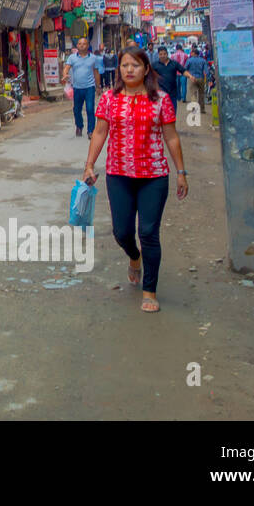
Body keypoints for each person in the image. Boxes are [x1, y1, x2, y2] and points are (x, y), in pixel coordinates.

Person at [84, 46, 189, 313]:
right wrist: (89, 165)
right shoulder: (109, 99)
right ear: (118, 70)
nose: (129, 70)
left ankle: (150, 290)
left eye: (135, 65)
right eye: (124, 66)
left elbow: (171, 137)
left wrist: (181, 172)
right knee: (122, 232)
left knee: (149, 233)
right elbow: (99, 133)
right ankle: (134, 256)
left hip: (153, 175)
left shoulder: (161, 100)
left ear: (146, 69)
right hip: (118, 174)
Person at [63, 37, 103, 138]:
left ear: (88, 45)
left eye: (84, 44)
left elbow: (96, 72)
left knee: (90, 109)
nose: (81, 45)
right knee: (77, 109)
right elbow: (66, 68)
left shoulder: (93, 58)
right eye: (80, 44)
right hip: (77, 88)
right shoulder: (72, 58)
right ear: (77, 46)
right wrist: (65, 75)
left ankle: (90, 131)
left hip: (89, 87)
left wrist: (98, 86)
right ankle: (79, 126)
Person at [152, 46, 183, 113]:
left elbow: (183, 70)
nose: (163, 56)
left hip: (172, 93)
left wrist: (190, 76)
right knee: (162, 113)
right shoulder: (154, 65)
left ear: (167, 54)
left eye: (164, 54)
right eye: (161, 54)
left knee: (173, 112)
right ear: (158, 55)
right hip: (160, 94)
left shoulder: (174, 63)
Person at [184, 48, 210, 114]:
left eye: (191, 53)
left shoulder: (189, 60)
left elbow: (185, 69)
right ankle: (202, 109)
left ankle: (195, 109)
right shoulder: (203, 60)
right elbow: (206, 71)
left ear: (193, 53)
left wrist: (188, 75)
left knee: (193, 94)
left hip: (192, 78)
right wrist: (208, 78)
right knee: (201, 94)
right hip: (201, 78)